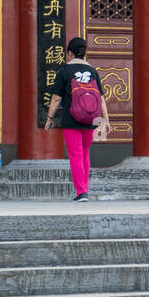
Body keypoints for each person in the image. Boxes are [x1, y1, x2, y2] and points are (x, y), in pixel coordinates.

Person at [45, 37, 110, 202]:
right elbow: (101, 98)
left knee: (75, 154)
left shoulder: (64, 71)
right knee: (85, 152)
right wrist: (106, 120)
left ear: (70, 53)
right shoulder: (93, 71)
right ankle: (84, 189)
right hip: (91, 120)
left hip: (71, 119)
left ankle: (81, 192)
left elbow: (56, 99)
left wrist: (49, 118)